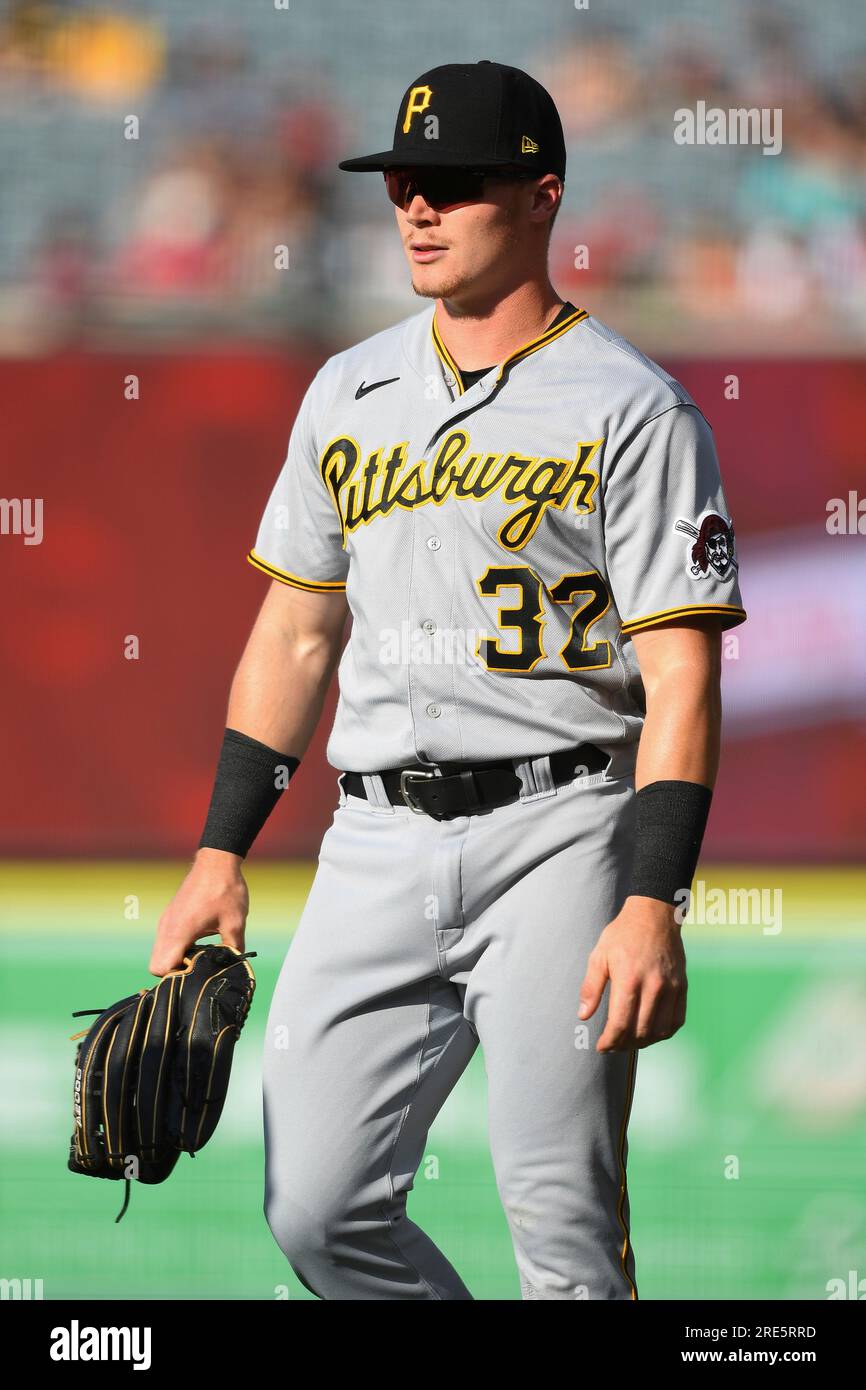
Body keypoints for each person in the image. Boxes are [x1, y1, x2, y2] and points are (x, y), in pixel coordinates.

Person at [151, 60, 746, 1301]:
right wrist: (220, 851)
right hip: (371, 838)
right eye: (403, 183)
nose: (417, 208)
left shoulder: (633, 408)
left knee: (565, 1236)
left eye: (453, 185)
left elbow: (681, 674)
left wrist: (652, 901)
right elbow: (294, 634)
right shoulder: (346, 389)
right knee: (316, 1210)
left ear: (538, 197)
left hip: (561, 829)